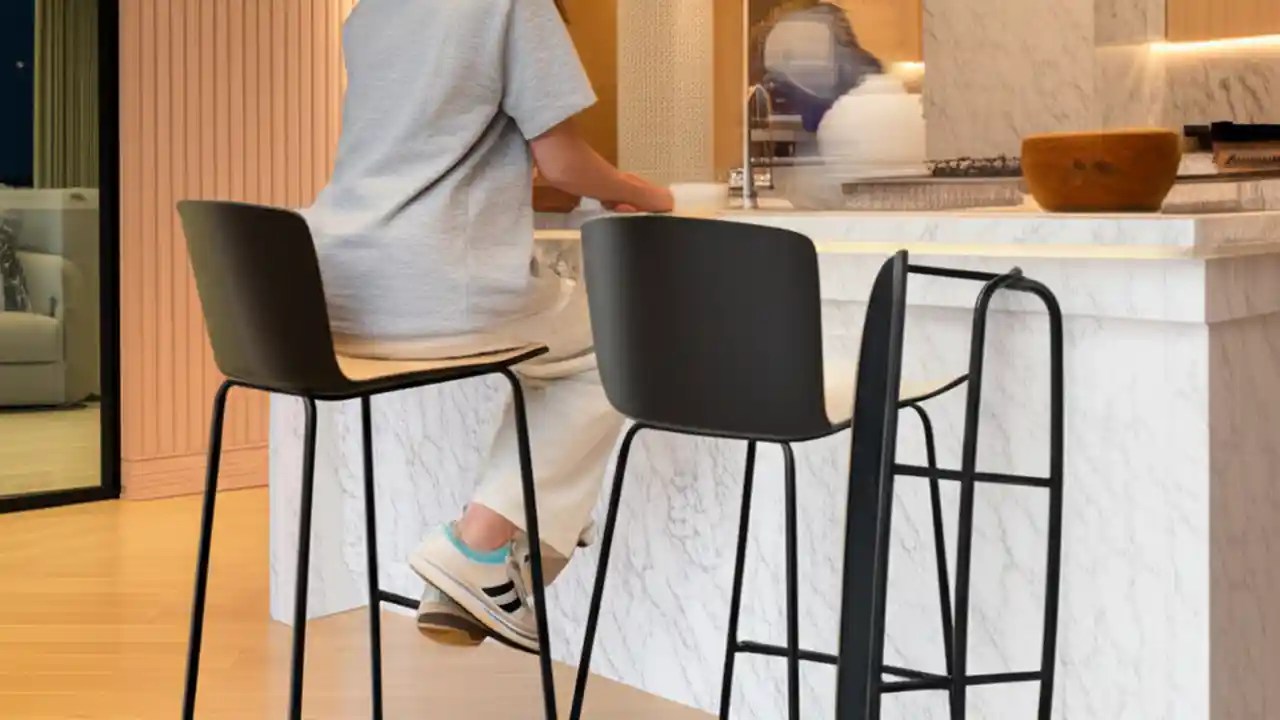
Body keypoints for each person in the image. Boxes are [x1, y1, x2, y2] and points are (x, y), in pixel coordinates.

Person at [302, 0, 673, 653]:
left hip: (337, 293)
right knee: (626, 340)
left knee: (552, 360)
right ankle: (486, 544)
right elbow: (561, 162)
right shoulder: (511, 4)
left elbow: (433, 154)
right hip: (438, 288)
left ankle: (491, 563)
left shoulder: (368, 13)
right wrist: (644, 194)